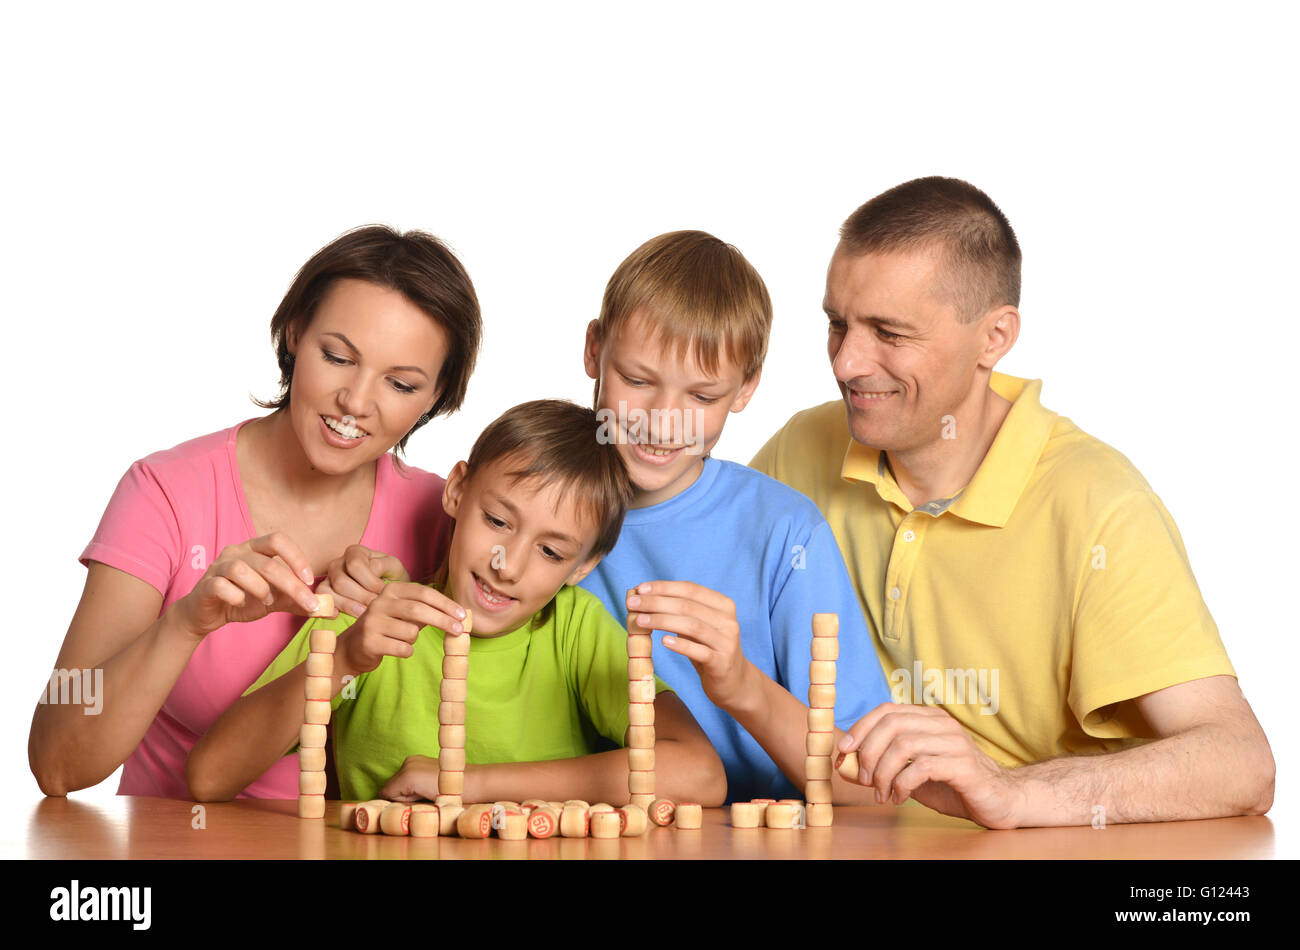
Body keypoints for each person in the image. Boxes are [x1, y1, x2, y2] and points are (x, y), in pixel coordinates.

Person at [750, 176, 1275, 828]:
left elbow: (1240, 762)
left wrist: (1012, 793)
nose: (848, 362)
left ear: (994, 338)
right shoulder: (802, 449)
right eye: (837, 324)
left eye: (889, 333)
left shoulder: (1099, 507)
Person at [30, 225, 482, 799]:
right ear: (295, 332)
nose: (356, 402)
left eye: (400, 383)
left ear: (436, 397)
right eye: (338, 356)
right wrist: (186, 623)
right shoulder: (165, 492)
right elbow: (56, 763)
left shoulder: (444, 517)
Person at [187, 400, 726, 806]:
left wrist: (465, 785)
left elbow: (701, 775)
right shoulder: (371, 613)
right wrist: (347, 657)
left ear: (584, 566)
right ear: (457, 491)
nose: (507, 564)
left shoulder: (575, 631)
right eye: (497, 521)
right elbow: (210, 777)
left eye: (550, 550)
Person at [577, 231, 893, 803]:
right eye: (638, 380)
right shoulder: (534, 503)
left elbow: (869, 790)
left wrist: (740, 683)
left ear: (745, 388)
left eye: (701, 397)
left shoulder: (785, 532)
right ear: (594, 350)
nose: (663, 419)